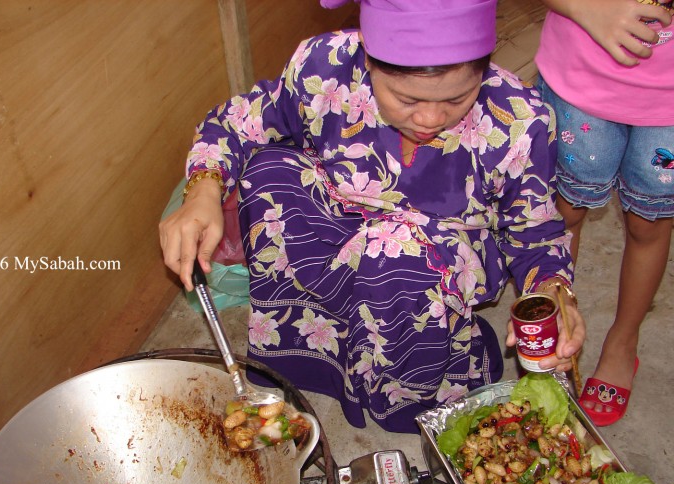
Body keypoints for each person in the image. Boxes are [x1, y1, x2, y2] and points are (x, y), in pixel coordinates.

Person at [160, 0, 585, 433]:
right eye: (406, 98)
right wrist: (203, 191)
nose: (430, 119)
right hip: (343, 214)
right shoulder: (324, 68)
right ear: (367, 59)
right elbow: (237, 122)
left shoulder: (518, 118)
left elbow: (534, 236)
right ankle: (317, 354)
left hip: (434, 257)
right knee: (268, 172)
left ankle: (412, 384)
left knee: (393, 252)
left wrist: (554, 292)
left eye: (458, 98)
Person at [535, 0, 674, 426]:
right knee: (564, 213)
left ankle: (622, 340)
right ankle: (554, 326)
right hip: (580, 78)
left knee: (648, 222)